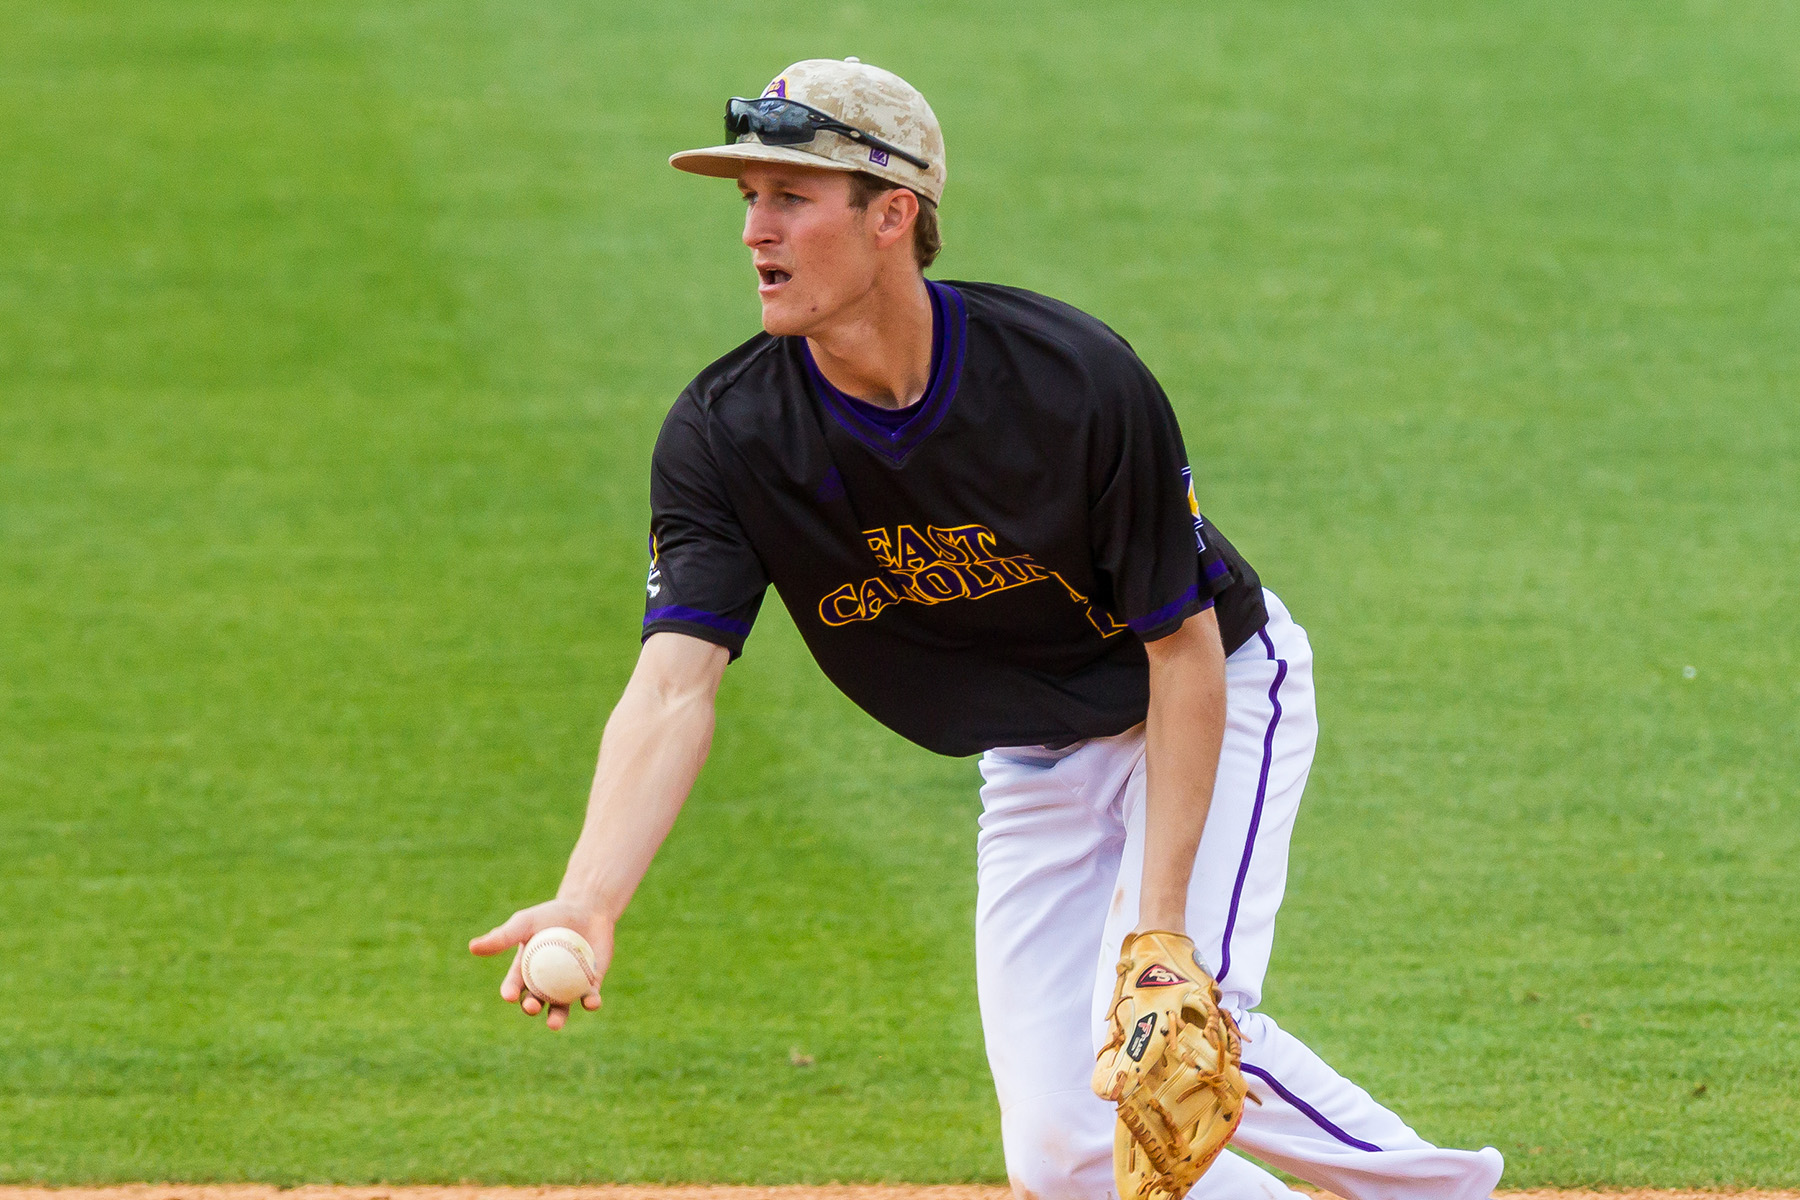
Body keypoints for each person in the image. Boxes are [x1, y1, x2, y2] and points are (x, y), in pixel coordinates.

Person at [470, 57, 1506, 1200]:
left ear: (892, 215)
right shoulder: (728, 435)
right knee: (1061, 1151)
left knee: (1172, 1026)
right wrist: (591, 894)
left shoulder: (1072, 382)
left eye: (791, 198)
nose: (755, 229)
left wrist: (1160, 938)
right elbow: (675, 685)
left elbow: (1181, 648)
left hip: (1206, 694)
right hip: (1034, 755)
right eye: (750, 199)